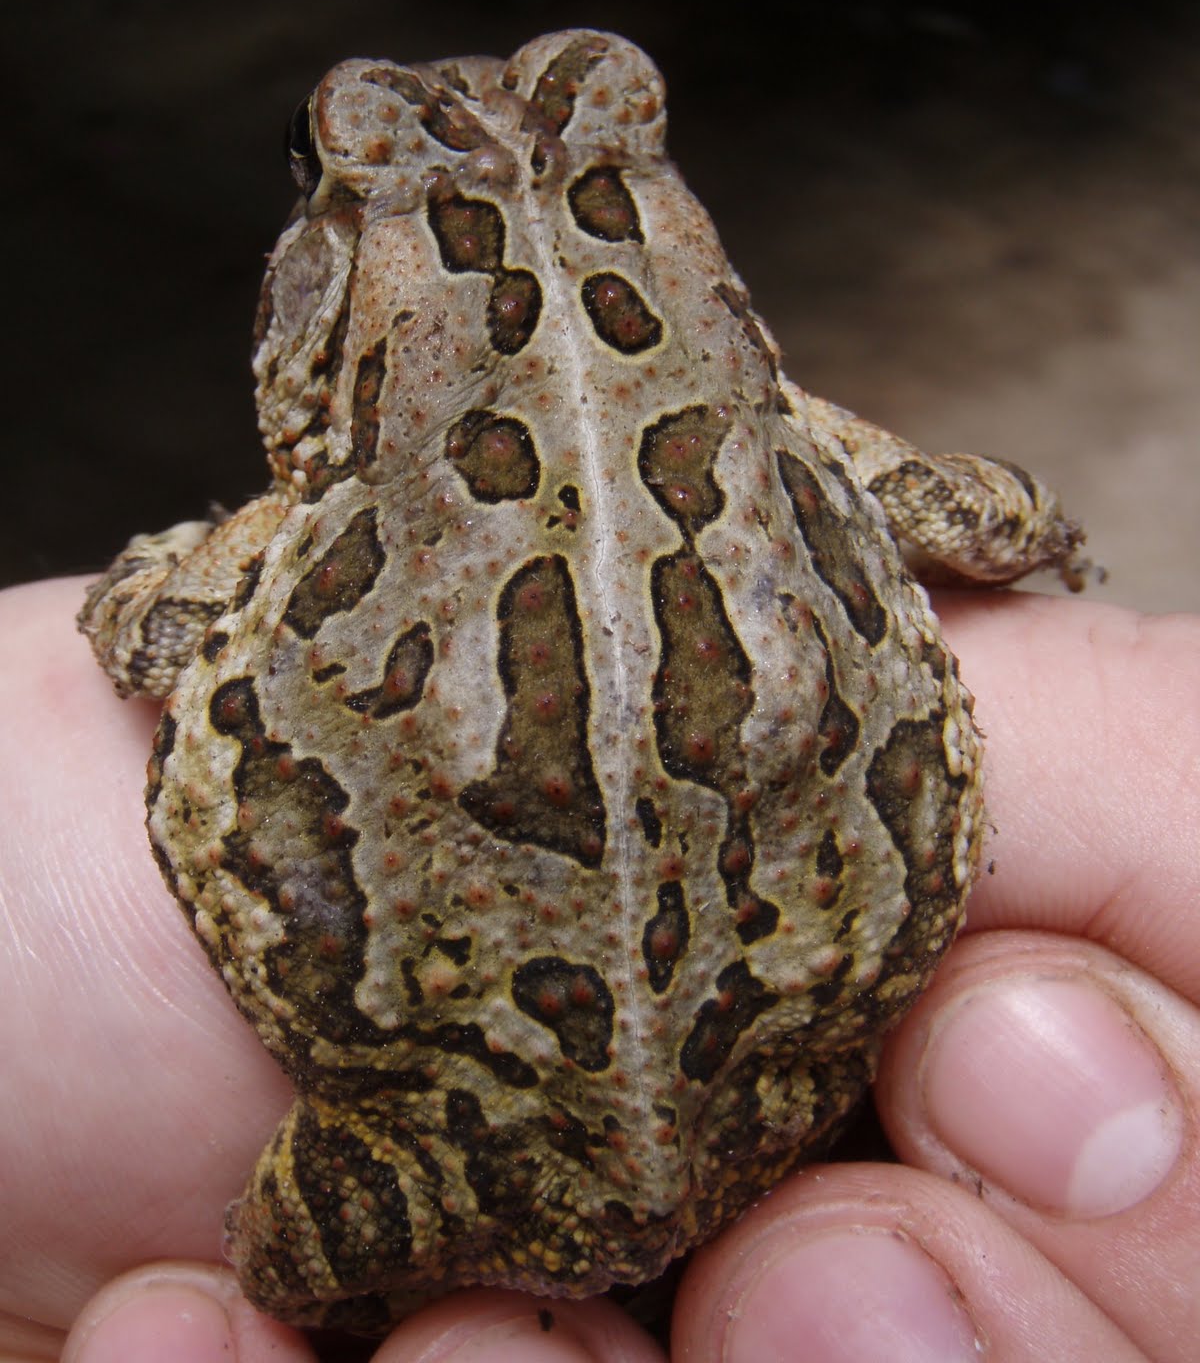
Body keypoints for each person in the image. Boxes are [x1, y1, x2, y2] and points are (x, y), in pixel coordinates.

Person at [3, 577, 1196, 1363]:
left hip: (519, 1112)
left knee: (292, 1258)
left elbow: (144, 631)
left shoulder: (321, 521)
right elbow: (1000, 517)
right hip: (737, 1095)